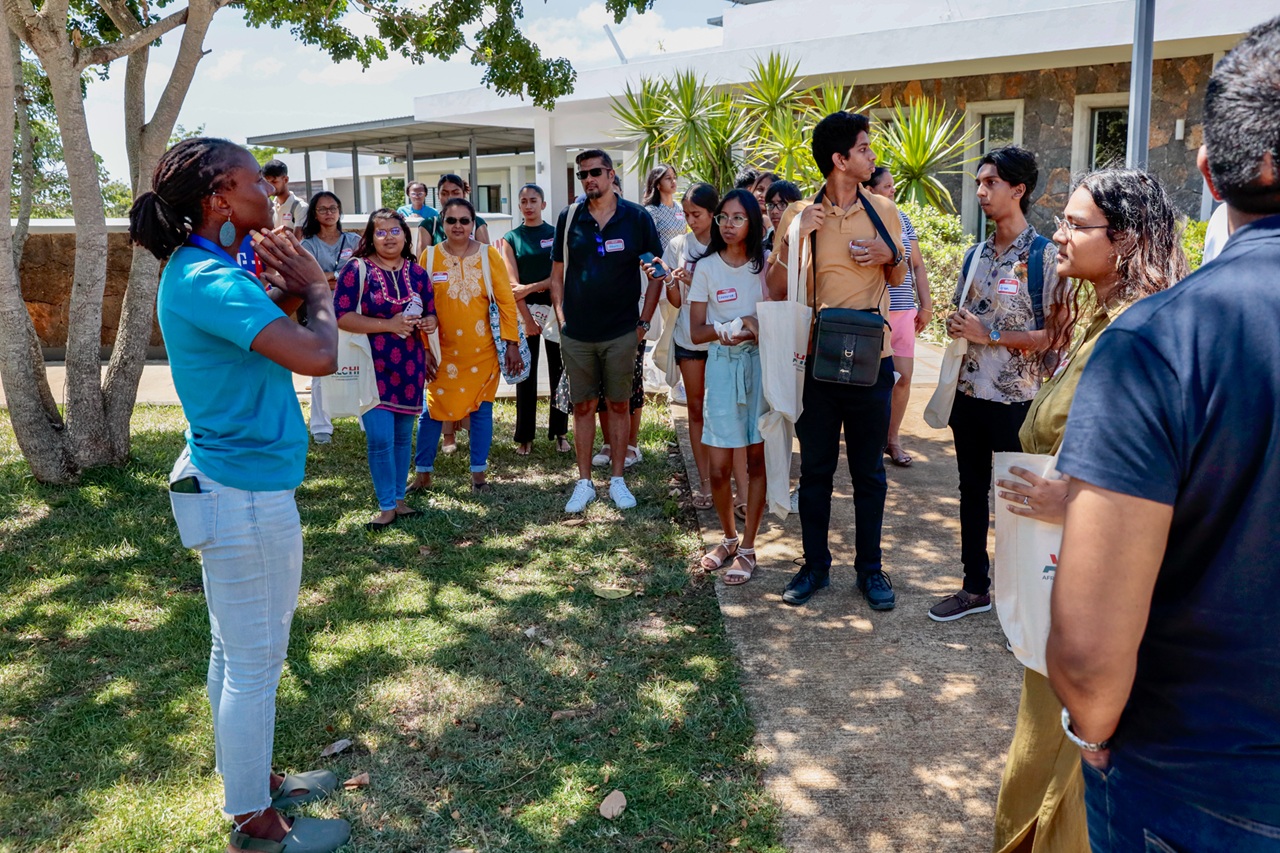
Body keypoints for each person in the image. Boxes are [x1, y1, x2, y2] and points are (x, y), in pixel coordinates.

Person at [1047, 17, 1280, 852]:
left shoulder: (1159, 342)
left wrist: (1094, 730)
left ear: (1213, 174)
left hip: (1198, 781)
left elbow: (1087, 648)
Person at [128, 137, 349, 852]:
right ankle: (255, 822)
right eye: (257, 179)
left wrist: (294, 289)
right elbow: (317, 353)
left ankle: (247, 776)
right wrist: (318, 289)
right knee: (255, 661)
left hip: (235, 487)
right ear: (220, 197)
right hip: (245, 495)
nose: (270, 189)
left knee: (235, 649)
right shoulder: (208, 278)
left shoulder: (210, 269)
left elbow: (266, 331)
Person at [990, 169, 1187, 853]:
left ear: (1126, 238)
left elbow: (1158, 469)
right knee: (1042, 749)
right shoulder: (1092, 315)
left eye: (1079, 225)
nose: (1062, 234)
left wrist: (1066, 496)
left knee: (1070, 766)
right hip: (1052, 574)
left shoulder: (1141, 328)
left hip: (1095, 586)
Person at [766, 111, 906, 609]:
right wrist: (796, 234)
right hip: (816, 355)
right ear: (839, 159)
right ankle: (814, 566)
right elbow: (775, 288)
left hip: (873, 353)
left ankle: (871, 570)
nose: (872, 156)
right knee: (818, 471)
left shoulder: (884, 210)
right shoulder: (800, 214)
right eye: (864, 149)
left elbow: (898, 278)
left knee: (869, 471)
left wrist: (885, 258)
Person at [929, 145, 1060, 623]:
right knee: (970, 491)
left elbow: (1053, 336)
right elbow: (972, 319)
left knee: (1016, 501)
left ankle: (1017, 598)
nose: (981, 192)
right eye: (979, 183)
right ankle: (974, 588)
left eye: (991, 183)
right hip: (969, 395)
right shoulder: (975, 255)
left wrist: (991, 334)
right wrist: (959, 325)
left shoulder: (1045, 257)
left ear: (1018, 190)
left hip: (1017, 403)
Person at [552, 148, 664, 512]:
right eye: (582, 174)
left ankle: (617, 479)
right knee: (582, 407)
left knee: (618, 405)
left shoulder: (637, 217)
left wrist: (643, 322)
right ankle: (583, 483)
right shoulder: (569, 217)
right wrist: (560, 315)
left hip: (621, 331)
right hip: (578, 332)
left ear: (611, 174)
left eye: (595, 172)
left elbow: (657, 270)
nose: (588, 180)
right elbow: (557, 273)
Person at [685, 189, 770, 584]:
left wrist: (756, 325)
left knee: (756, 462)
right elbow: (696, 332)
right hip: (721, 367)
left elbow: (782, 312)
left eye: (738, 218)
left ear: (753, 222)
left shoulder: (765, 265)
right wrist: (730, 330)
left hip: (759, 368)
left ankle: (749, 547)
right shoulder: (706, 267)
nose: (729, 225)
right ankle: (729, 538)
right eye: (723, 217)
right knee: (719, 469)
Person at [409, 198, 522, 493]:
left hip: (482, 352)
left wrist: (511, 344)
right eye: (451, 220)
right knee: (432, 412)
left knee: (482, 411)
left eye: (464, 220)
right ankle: (422, 474)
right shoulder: (429, 257)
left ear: (473, 224)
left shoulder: (489, 256)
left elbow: (506, 302)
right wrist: (424, 349)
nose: (458, 226)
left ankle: (479, 476)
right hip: (440, 352)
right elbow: (419, 306)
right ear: (441, 224)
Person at [333, 208, 437, 529]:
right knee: (379, 437)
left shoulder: (417, 273)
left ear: (406, 235)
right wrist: (388, 324)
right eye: (381, 232)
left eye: (395, 231)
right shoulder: (356, 270)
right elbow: (342, 315)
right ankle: (386, 506)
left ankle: (399, 501)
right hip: (372, 365)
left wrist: (430, 322)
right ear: (370, 237)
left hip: (409, 365)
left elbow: (431, 313)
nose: (389, 237)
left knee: (403, 436)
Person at [863, 167, 933, 467]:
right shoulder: (860, 220)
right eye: (887, 186)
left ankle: (893, 441)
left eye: (893, 186)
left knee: (903, 378)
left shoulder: (902, 218)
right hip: (873, 310)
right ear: (870, 190)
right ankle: (868, 443)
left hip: (904, 310)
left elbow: (917, 265)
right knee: (869, 381)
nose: (893, 191)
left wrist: (926, 306)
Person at [660, 182, 719, 508]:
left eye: (696, 214)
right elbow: (674, 300)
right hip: (689, 339)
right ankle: (705, 484)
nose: (690, 220)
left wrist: (694, 280)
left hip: (724, 340)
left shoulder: (727, 243)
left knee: (723, 413)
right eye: (686, 214)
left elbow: (729, 292)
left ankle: (734, 483)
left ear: (713, 213)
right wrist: (669, 279)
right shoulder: (677, 245)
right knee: (695, 411)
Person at [501, 183, 570, 455]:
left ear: (543, 204)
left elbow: (559, 279)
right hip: (524, 313)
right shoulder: (511, 238)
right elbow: (511, 285)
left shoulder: (556, 235)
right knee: (524, 375)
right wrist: (527, 320)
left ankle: (561, 433)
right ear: (519, 205)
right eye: (523, 201)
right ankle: (525, 436)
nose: (528, 205)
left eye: (533, 200)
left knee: (559, 372)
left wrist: (532, 287)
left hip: (556, 310)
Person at [300, 191, 359, 444]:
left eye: (333, 208)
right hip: (321, 312)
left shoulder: (354, 240)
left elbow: (361, 272)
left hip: (355, 311)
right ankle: (321, 427)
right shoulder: (308, 244)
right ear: (314, 213)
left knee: (362, 363)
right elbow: (308, 277)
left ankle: (366, 419)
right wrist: (332, 276)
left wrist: (329, 276)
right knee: (321, 368)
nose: (329, 213)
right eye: (323, 209)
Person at [417, 173, 490, 248]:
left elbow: (486, 256)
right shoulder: (429, 225)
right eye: (444, 193)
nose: (450, 197)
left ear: (464, 194)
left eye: (455, 193)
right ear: (438, 195)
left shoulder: (477, 223)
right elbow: (422, 258)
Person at [643, 164, 686, 251]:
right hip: (662, 261)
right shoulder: (652, 211)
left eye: (674, 177)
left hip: (681, 261)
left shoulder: (680, 208)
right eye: (668, 178)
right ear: (658, 184)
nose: (673, 181)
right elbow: (647, 242)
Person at [262, 159, 306, 237]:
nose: (270, 187)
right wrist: (282, 230)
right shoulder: (270, 206)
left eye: (274, 182)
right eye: (267, 182)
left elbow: (298, 241)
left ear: (285, 180)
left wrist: (280, 230)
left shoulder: (300, 207)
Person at [763, 179, 802, 253]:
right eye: (770, 205)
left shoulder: (804, 246)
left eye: (782, 205)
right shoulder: (760, 250)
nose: (774, 211)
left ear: (797, 207)